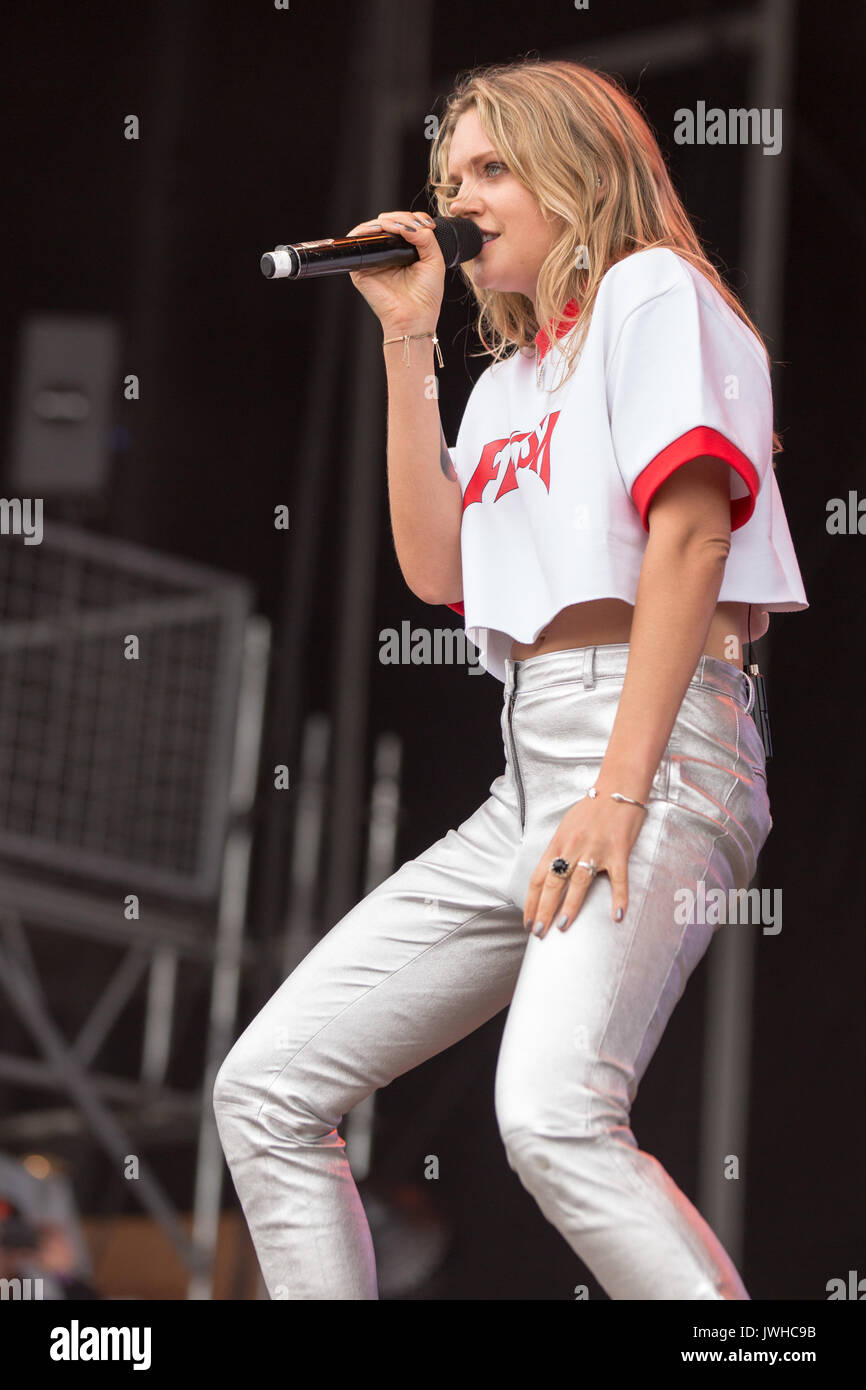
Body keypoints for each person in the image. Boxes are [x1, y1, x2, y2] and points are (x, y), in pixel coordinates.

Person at [214, 57, 808, 1300]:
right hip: (527, 772)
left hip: (653, 743)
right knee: (267, 1086)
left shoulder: (654, 296)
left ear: (575, 174)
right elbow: (436, 564)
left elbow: (691, 540)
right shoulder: (503, 385)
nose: (459, 197)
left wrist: (620, 790)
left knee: (548, 1112)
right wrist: (408, 343)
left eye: (489, 169)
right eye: (447, 176)